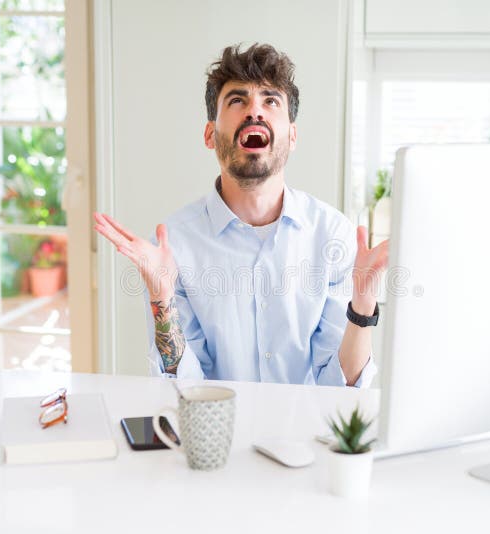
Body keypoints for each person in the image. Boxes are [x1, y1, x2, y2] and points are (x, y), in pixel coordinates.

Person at [94, 43, 388, 387]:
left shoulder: (333, 234)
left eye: (271, 101)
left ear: (291, 136)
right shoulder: (173, 245)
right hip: (215, 432)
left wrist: (364, 300)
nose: (255, 111)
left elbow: (341, 385)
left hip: (304, 433)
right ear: (210, 134)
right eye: (237, 100)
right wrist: (162, 298)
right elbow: (183, 384)